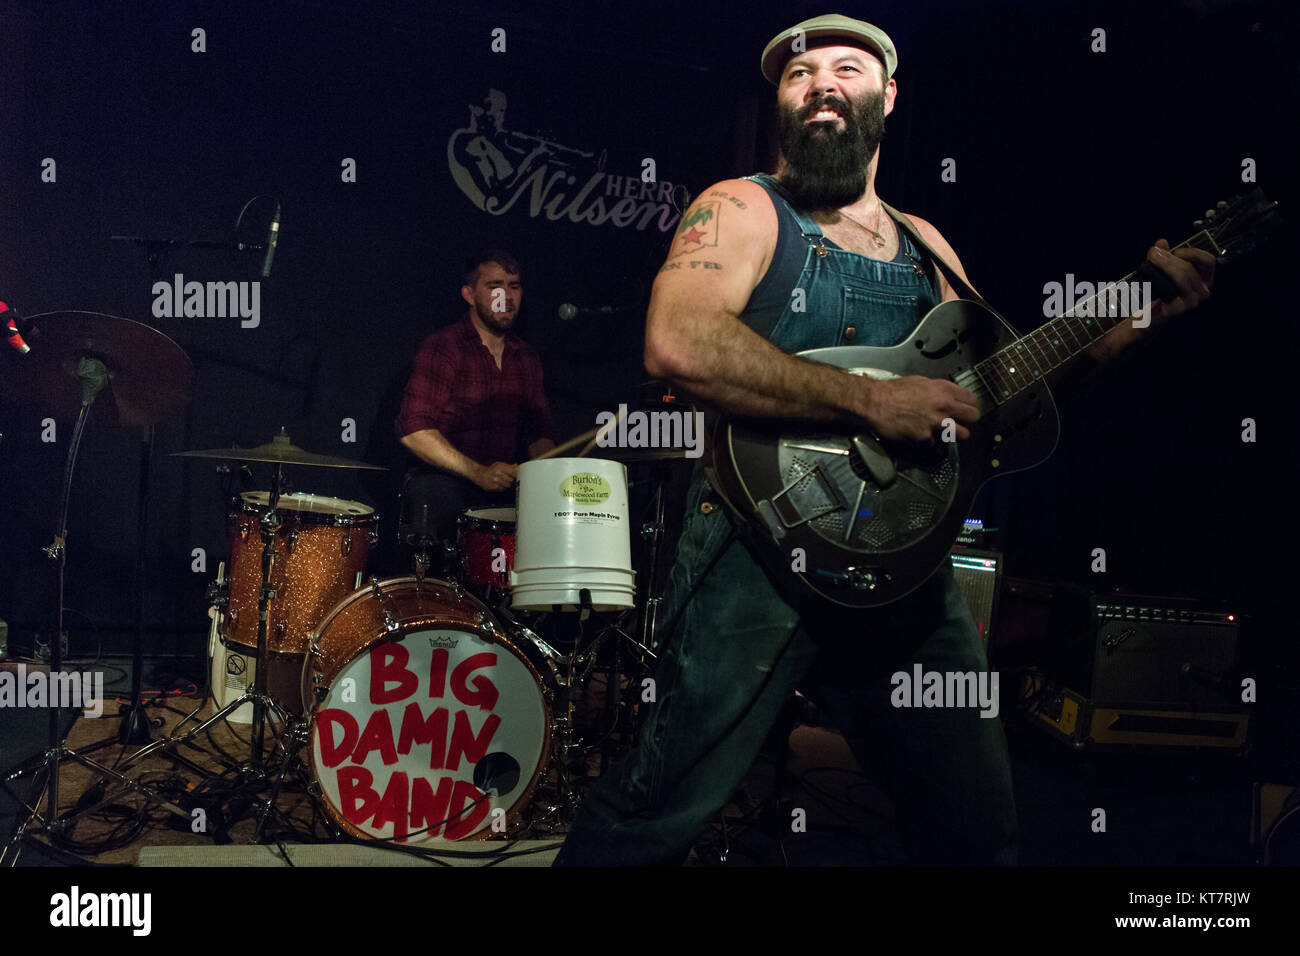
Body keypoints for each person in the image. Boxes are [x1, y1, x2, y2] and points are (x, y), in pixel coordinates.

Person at [554, 14, 1214, 865]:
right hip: (758, 557)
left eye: (849, 68)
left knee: (976, 825)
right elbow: (680, 344)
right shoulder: (741, 206)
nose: (823, 82)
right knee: (658, 808)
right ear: (781, 105)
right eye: (800, 74)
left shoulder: (926, 245)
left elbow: (999, 391)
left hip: (903, 567)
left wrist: (1133, 319)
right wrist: (872, 403)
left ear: (888, 97)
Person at [395, 249, 555, 555]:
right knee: (433, 493)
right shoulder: (445, 346)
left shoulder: (527, 357)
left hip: (503, 488)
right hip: (446, 481)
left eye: (514, 286)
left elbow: (539, 432)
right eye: (495, 286)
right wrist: (477, 472)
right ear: (469, 294)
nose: (506, 296)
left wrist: (537, 472)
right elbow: (413, 429)